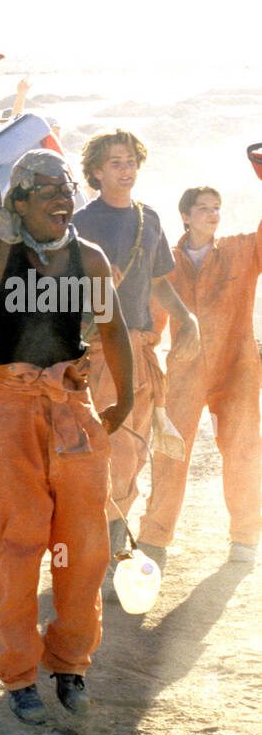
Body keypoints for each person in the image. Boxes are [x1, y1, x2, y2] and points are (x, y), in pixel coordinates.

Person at [0, 32, 133, 723]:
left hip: (73, 410)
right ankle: (20, 671)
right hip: (13, 410)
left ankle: (71, 664)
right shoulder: (0, 254)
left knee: (85, 545)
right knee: (20, 541)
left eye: (67, 190)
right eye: (46, 191)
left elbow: (113, 331)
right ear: (19, 202)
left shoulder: (88, 261)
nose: (61, 199)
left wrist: (129, 402)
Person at [72, 129, 200, 593]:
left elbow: (159, 282)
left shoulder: (149, 220)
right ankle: (108, 557)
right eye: (115, 163)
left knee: (133, 454)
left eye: (131, 162)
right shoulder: (80, 223)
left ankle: (108, 554)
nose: (125, 170)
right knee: (109, 455)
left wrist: (186, 319)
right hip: (101, 352)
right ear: (96, 172)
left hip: (141, 353)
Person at [137, 187, 262, 567]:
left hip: (237, 366)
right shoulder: (166, 264)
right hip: (186, 369)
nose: (213, 214)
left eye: (217, 208)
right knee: (170, 450)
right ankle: (154, 540)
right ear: (186, 217)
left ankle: (244, 538)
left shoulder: (242, 249)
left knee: (243, 450)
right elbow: (151, 322)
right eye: (203, 208)